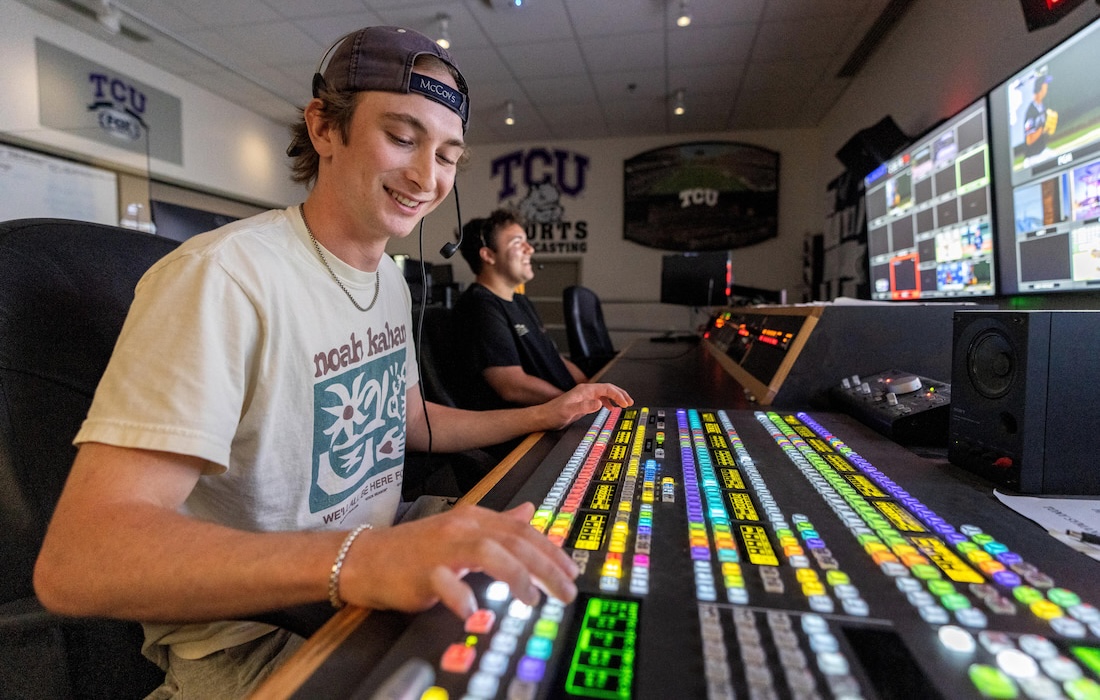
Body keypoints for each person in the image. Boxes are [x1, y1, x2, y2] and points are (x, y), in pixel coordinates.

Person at [32, 26, 632, 698]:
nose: (425, 176)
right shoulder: (220, 278)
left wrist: (542, 415)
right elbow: (79, 560)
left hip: (369, 563)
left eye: (447, 155)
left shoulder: (383, 280)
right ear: (324, 127)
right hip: (259, 639)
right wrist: (362, 559)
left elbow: (410, 422)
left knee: (594, 558)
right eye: (402, 137)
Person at [452, 209, 588, 413]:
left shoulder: (520, 301)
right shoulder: (479, 306)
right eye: (517, 243)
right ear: (488, 255)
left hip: (563, 410)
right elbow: (512, 386)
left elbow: (554, 358)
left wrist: (587, 386)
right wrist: (578, 405)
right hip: (533, 427)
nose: (530, 249)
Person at [1023, 73, 1057, 160]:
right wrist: (1042, 128)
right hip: (1033, 158)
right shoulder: (1031, 111)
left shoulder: (1041, 107)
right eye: (1045, 85)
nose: (1047, 88)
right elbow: (1029, 140)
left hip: (1042, 151)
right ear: (1040, 88)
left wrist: (1047, 130)